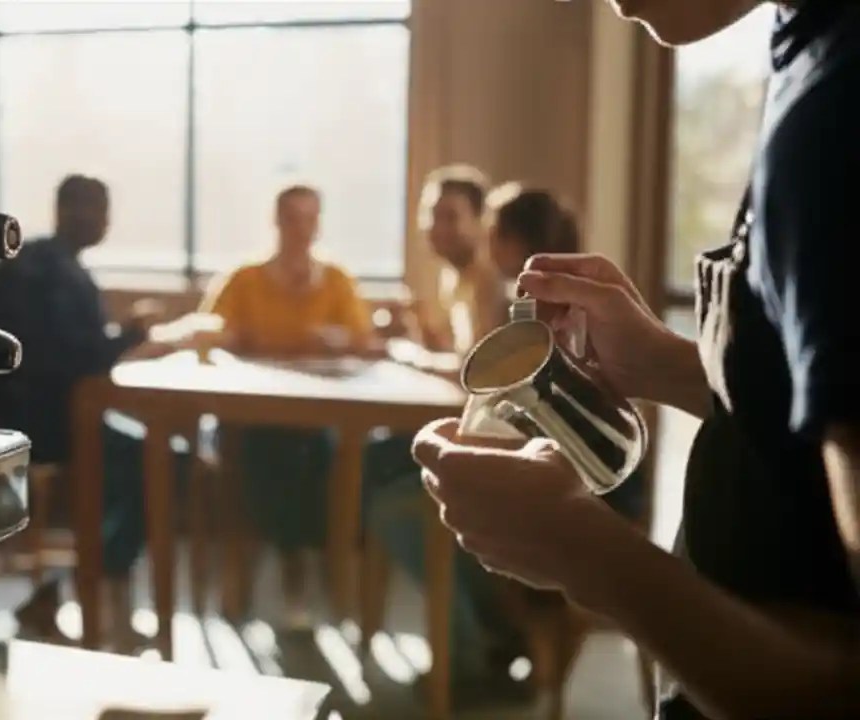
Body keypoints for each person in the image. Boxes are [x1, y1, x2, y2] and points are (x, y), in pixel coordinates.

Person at [412, 2, 860, 718]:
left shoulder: (838, 114)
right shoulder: (809, 52)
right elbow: (803, 428)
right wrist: (668, 365)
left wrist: (579, 548)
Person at [365, 186, 594, 701]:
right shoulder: (551, 296)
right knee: (404, 482)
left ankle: (479, 651)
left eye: (488, 231)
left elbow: (488, 383)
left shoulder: (527, 306)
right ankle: (493, 639)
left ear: (510, 242)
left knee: (402, 506)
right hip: (560, 460)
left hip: (553, 469)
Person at [0, 174, 181, 647]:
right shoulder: (60, 275)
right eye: (95, 211)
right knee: (164, 458)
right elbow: (84, 363)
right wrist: (133, 334)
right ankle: (103, 576)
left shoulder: (32, 262)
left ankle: (70, 584)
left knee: (142, 449)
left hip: (9, 419)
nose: (99, 221)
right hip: (56, 426)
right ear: (72, 213)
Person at [202, 184, 380, 626]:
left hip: (319, 416)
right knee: (263, 454)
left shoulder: (336, 280)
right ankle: (290, 570)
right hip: (252, 416)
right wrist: (234, 339)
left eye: (309, 218)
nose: (300, 229)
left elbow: (367, 343)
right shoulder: (244, 278)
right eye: (291, 218)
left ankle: (301, 570)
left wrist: (341, 341)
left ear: (318, 225)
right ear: (276, 221)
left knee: (321, 458)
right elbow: (208, 333)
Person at [413, 165, 509, 356]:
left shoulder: (491, 282)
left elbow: (480, 372)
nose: (437, 227)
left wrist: (411, 359)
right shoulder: (452, 277)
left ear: (480, 221)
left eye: (450, 217)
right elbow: (459, 353)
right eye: (432, 215)